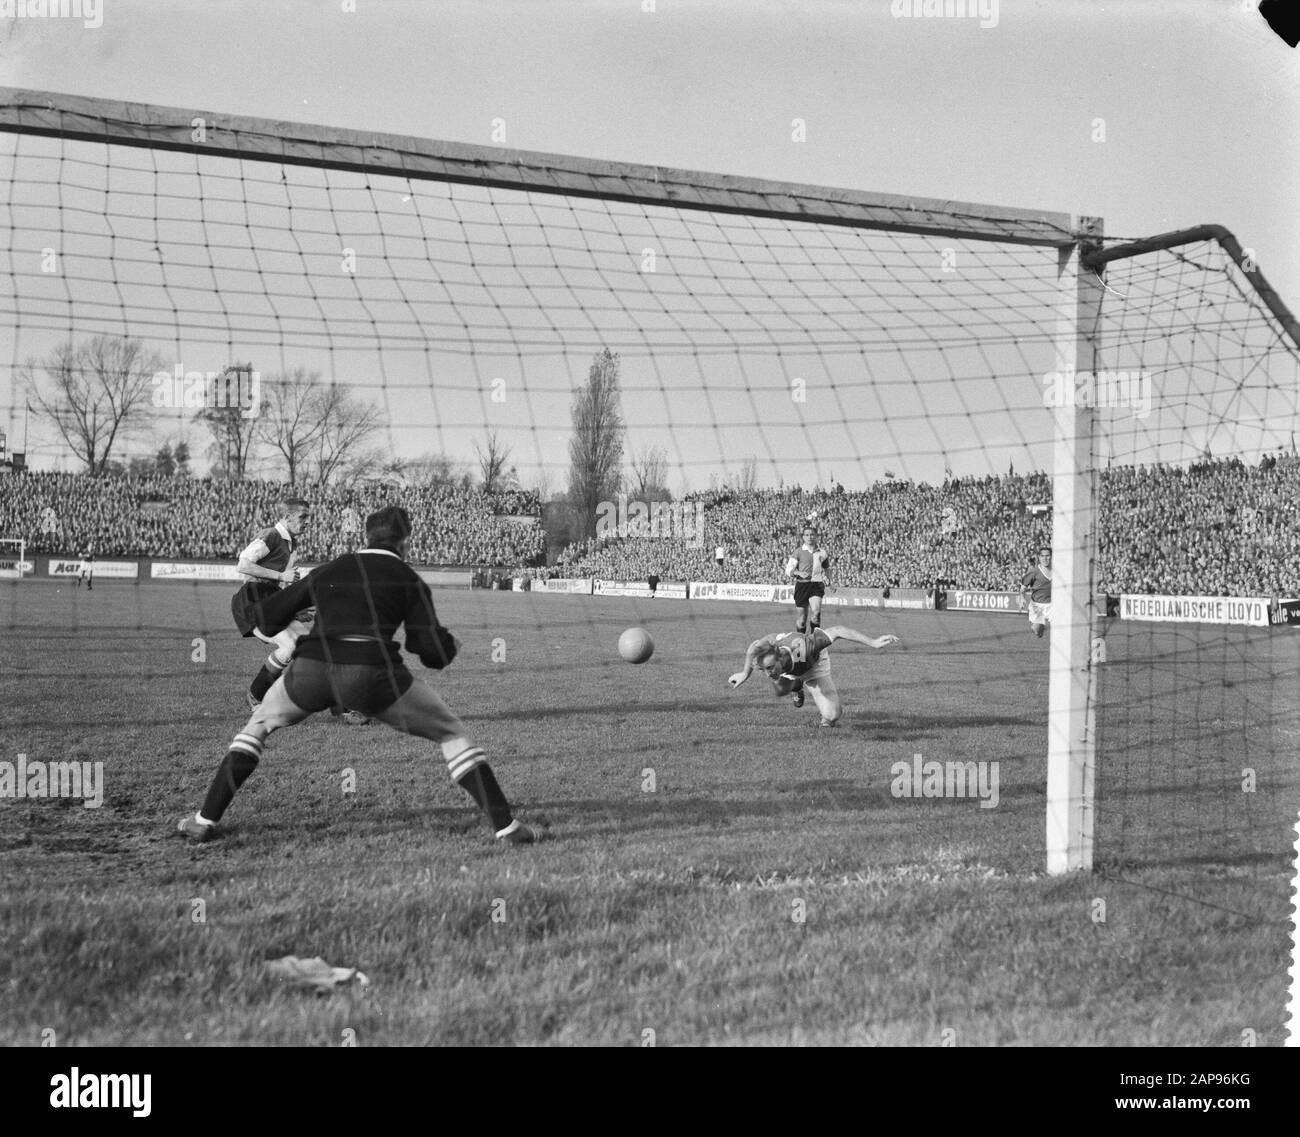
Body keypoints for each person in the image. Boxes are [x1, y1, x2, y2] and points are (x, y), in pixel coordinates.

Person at [177, 505, 544, 845]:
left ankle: (204, 819)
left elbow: (271, 615)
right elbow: (431, 653)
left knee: (257, 727)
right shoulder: (407, 578)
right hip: (373, 675)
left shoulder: (332, 568)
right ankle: (507, 828)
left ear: (367, 536)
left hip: (310, 671)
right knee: (451, 733)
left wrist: (309, 613)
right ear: (405, 540)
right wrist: (448, 644)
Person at [728, 624, 899, 727]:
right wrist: (744, 673)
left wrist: (873, 642)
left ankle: (800, 685)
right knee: (780, 689)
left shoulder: (807, 647)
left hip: (813, 665)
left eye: (770, 668)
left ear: (780, 656)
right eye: (764, 669)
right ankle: (796, 685)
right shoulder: (768, 649)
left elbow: (838, 630)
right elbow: (752, 649)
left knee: (832, 715)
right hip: (790, 668)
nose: (768, 673)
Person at [784, 526, 831, 632]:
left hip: (816, 585)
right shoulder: (798, 552)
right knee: (802, 620)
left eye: (812, 535)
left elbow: (827, 568)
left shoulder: (822, 552)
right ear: (803, 537)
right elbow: (788, 570)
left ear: (816, 537)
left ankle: (814, 642)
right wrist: (799, 572)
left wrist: (829, 582)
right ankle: (801, 641)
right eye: (807, 535)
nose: (810, 537)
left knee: (816, 612)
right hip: (802, 586)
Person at [1021, 545, 1052, 638]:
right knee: (1038, 631)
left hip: (1053, 605)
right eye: (1042, 556)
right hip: (1037, 606)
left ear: (1051, 557)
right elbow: (1023, 588)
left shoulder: (1057, 571)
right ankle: (1039, 628)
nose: (1045, 558)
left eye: (1047, 556)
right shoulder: (1034, 572)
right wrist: (1022, 597)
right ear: (1039, 557)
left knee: (1061, 629)